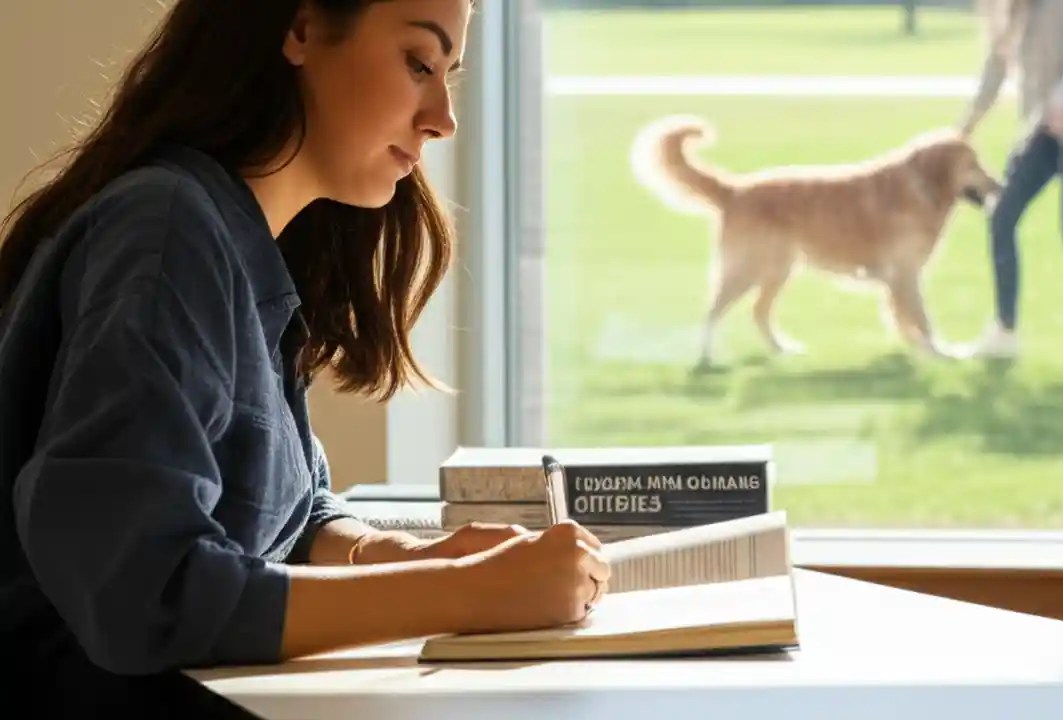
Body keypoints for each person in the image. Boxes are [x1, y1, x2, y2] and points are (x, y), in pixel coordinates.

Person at [0, 1, 609, 715]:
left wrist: (408, 557)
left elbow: (282, 513)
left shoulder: (238, 240)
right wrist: (473, 594)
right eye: (419, 63)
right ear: (300, 29)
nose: (443, 117)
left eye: (448, 75)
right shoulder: (166, 232)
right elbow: (142, 590)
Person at [958, 0, 1063, 359]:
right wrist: (966, 127)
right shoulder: (1017, 12)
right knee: (1002, 217)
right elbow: (995, 69)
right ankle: (1005, 332)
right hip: (1043, 131)